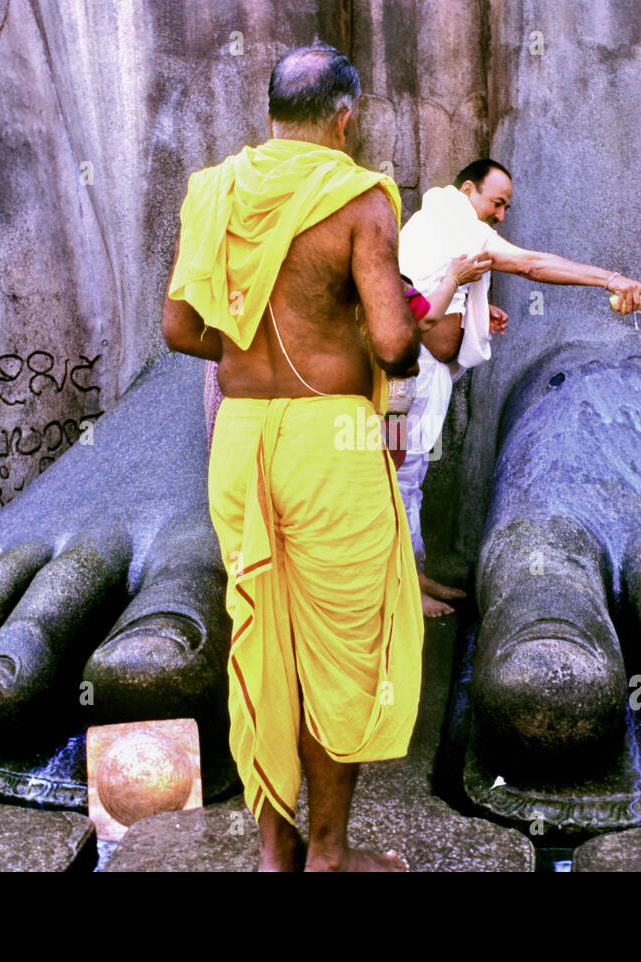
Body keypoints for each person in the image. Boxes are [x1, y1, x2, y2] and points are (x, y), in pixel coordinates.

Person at [162, 41, 436, 872]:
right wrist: (408, 327)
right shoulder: (359, 200)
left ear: (273, 112)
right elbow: (393, 344)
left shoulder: (214, 192)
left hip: (241, 435)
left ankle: (274, 855)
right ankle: (328, 855)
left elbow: (180, 329)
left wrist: (250, 346)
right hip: (331, 442)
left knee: (262, 633)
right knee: (339, 648)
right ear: (345, 117)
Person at [396, 158, 641, 616]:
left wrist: (477, 314)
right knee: (400, 479)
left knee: (411, 478)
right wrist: (610, 279)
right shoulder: (452, 217)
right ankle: (400, 592)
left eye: (505, 209)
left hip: (423, 371)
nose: (499, 215)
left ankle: (413, 574)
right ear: (469, 190)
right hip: (411, 373)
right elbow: (532, 265)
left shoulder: (440, 220)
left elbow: (432, 285)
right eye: (496, 203)